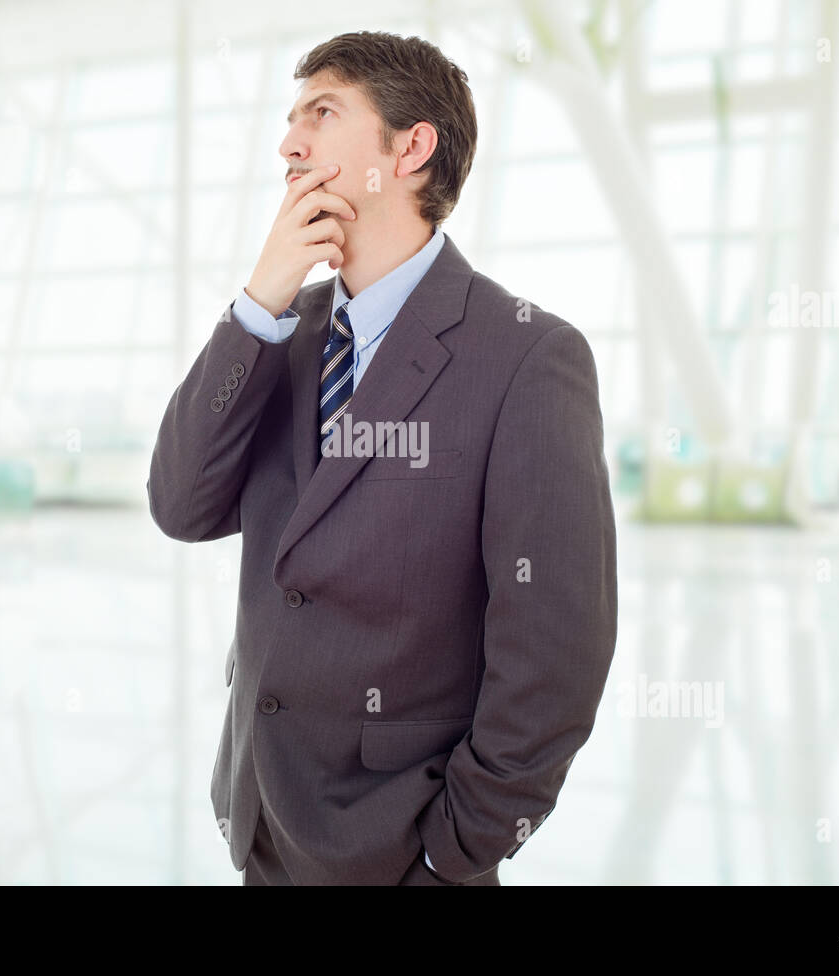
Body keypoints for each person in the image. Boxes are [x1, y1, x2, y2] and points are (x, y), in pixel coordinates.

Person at [148, 30, 617, 885]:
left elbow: (555, 657)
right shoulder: (280, 335)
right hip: (260, 824)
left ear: (411, 147)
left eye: (322, 114)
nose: (289, 143)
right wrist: (259, 302)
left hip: (403, 851)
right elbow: (180, 506)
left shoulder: (527, 358)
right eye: (290, 120)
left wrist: (452, 853)